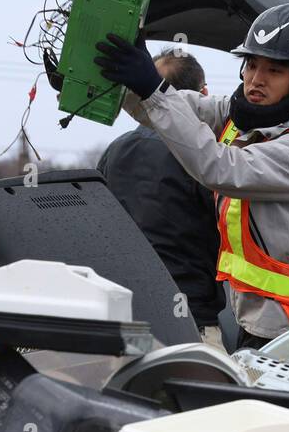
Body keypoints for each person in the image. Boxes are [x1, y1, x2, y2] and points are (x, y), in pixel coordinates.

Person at [94, 5, 289, 351]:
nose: (255, 79)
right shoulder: (249, 117)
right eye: (251, 65)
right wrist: (108, 84)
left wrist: (153, 88)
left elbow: (219, 167)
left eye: (273, 70)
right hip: (260, 324)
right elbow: (180, 107)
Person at [97, 48, 227, 350]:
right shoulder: (208, 158)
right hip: (192, 319)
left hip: (127, 315)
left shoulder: (114, 152)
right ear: (203, 94)